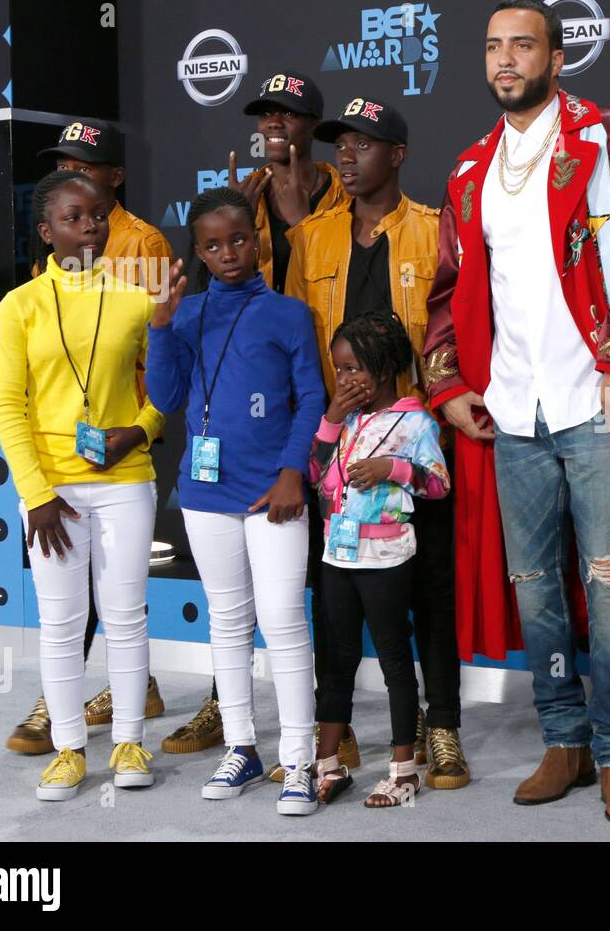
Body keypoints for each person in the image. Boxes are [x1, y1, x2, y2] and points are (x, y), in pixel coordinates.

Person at [422, 0, 610, 829]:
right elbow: (445, 292)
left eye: (522, 46)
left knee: (609, 589)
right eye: (494, 46)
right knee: (535, 590)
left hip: (593, 397)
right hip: (510, 410)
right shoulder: (469, 168)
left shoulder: (607, 137)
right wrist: (453, 386)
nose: (506, 60)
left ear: (556, 58)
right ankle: (563, 739)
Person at [284, 97, 469, 788]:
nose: (348, 157)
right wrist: (324, 428)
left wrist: (429, 421)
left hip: (420, 438)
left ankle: (441, 727)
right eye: (342, 145)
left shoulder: (434, 230)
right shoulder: (311, 239)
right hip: (341, 442)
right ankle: (341, 741)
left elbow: (458, 333)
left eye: (365, 144)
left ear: (397, 153)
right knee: (337, 597)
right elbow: (304, 347)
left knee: (429, 596)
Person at [144, 188, 325, 815]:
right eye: (214, 245)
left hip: (273, 493)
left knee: (281, 617)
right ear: (198, 251)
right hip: (203, 493)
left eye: (240, 239)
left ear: (258, 239)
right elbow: (165, 398)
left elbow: (311, 399)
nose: (229, 253)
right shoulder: (187, 314)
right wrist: (161, 324)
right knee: (228, 620)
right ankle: (243, 746)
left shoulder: (289, 314)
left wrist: (291, 472)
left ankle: (300, 758)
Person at [0, 170, 165, 800]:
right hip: (50, 493)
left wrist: (139, 430)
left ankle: (128, 742)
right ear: (46, 232)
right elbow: (8, 406)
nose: (90, 227)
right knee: (60, 622)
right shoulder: (21, 305)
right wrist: (36, 494)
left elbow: (169, 388)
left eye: (98, 216)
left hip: (125, 481)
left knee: (125, 617)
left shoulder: (135, 296)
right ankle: (68, 749)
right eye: (74, 217)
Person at [309, 311, 451, 807]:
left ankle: (403, 770)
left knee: (393, 659)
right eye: (339, 370)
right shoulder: (344, 419)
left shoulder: (416, 421)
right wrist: (329, 418)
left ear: (386, 365)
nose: (345, 380)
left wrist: (393, 468)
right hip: (337, 551)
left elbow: (439, 484)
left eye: (354, 369)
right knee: (337, 660)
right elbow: (315, 472)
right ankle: (327, 764)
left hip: (387, 553)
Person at [226, 71, 347, 293]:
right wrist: (235, 228)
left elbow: (349, 279)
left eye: (289, 113)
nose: (274, 123)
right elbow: (220, 290)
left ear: (314, 125)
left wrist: (303, 225)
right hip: (260, 326)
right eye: (266, 114)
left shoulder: (347, 198)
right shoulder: (241, 197)